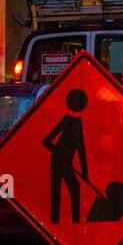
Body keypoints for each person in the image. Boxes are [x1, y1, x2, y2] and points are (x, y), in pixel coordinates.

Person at [44, 89, 89, 224]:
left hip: (66, 162)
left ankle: (76, 222)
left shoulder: (80, 123)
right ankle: (56, 221)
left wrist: (85, 173)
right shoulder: (67, 120)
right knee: (58, 190)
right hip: (58, 160)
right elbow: (47, 141)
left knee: (74, 188)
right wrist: (59, 151)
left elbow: (82, 151)